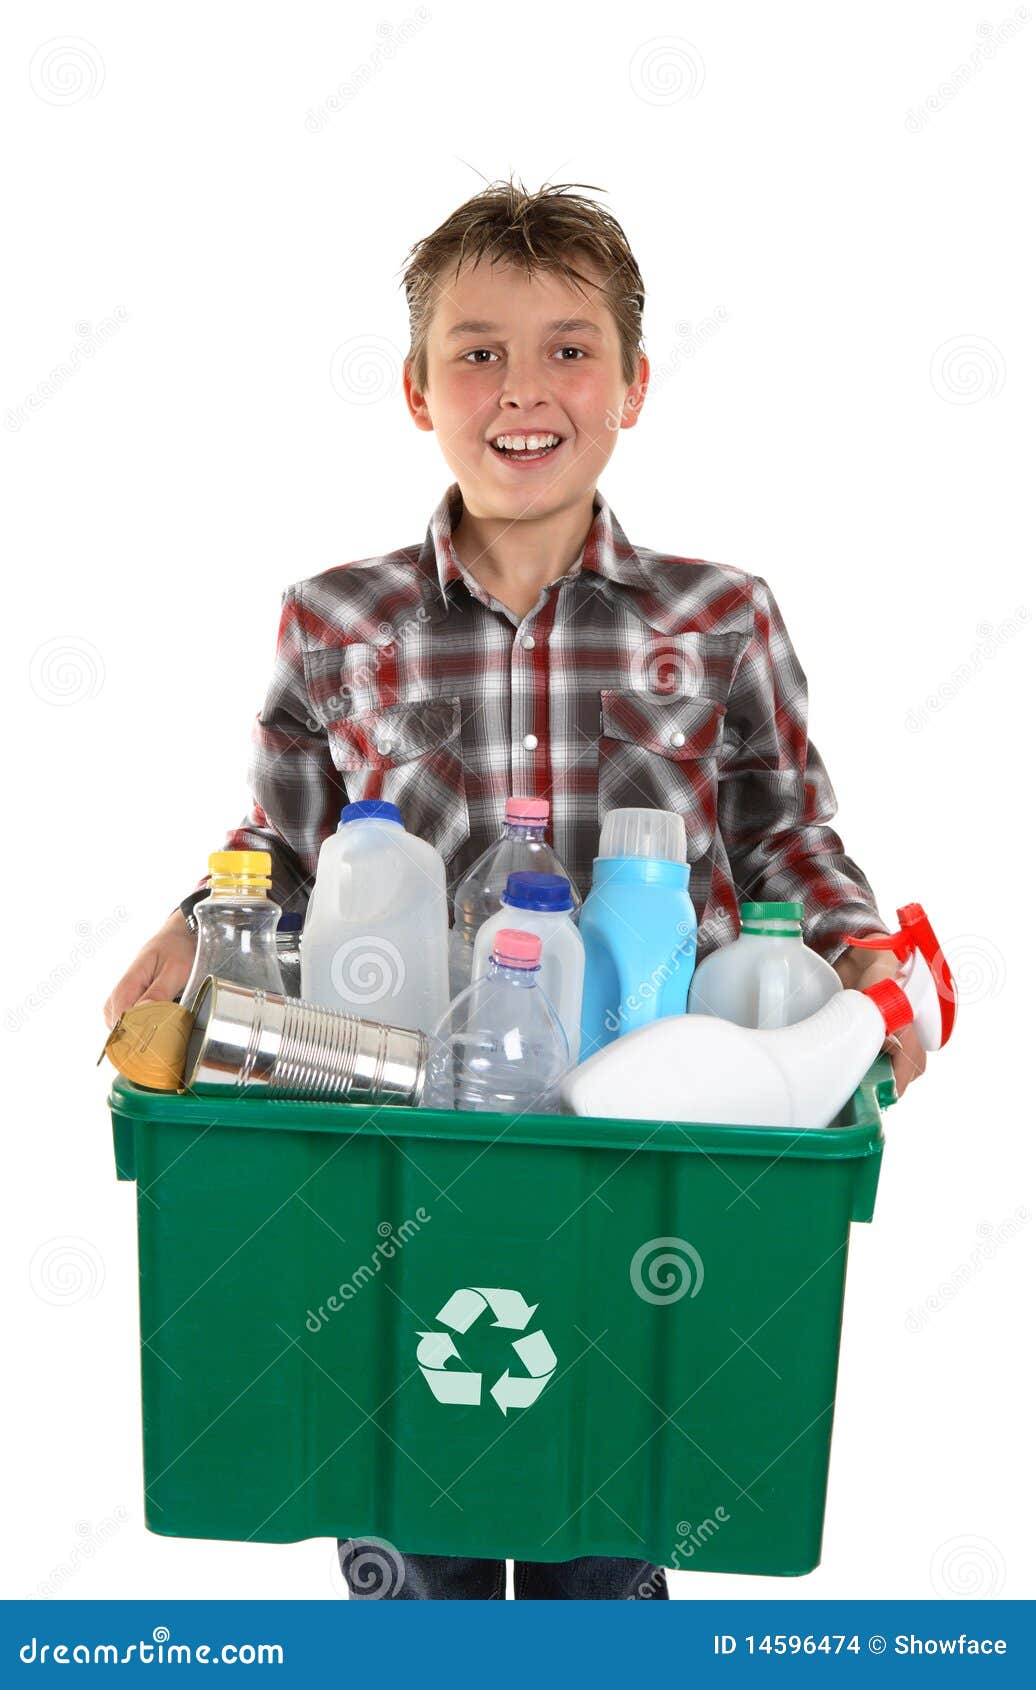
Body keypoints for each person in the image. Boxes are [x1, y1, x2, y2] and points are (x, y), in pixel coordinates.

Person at [104, 177, 924, 1599]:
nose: (522, 387)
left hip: (642, 1141)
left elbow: (791, 838)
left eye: (569, 346)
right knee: (407, 1462)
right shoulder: (337, 617)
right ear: (418, 389)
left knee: (608, 1493)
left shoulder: (719, 615)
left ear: (635, 385)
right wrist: (192, 926)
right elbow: (285, 854)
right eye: (477, 349)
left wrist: (866, 978)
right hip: (399, 1141)